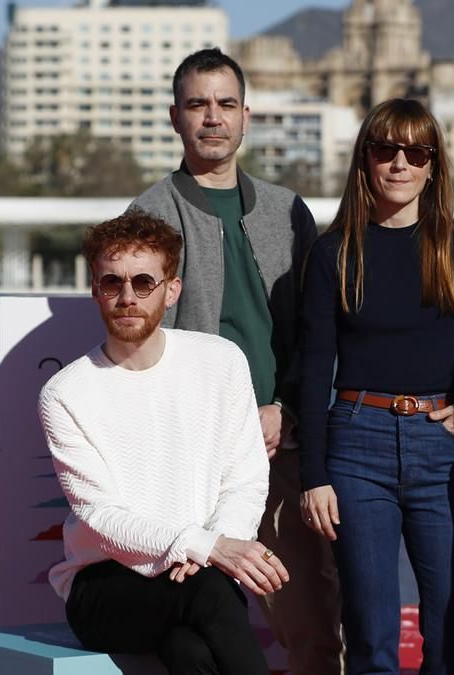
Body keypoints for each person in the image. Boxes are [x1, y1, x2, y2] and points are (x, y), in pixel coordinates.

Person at [127, 48, 339, 674]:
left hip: (283, 445)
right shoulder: (149, 214)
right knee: (198, 631)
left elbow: (314, 333)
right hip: (191, 463)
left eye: (225, 105)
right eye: (197, 105)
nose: (212, 118)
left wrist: (285, 410)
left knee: (314, 620)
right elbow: (139, 346)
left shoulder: (287, 211)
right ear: (175, 117)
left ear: (246, 116)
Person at [298, 98, 454, 674]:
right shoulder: (332, 252)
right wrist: (314, 476)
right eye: (385, 149)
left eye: (416, 151)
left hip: (439, 444)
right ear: (365, 160)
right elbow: (315, 371)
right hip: (354, 447)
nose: (400, 163)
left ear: (433, 165)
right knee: (370, 631)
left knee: (453, 619)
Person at [38, 211, 287, 674]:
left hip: (197, 569)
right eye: (112, 282)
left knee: (188, 650)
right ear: (95, 290)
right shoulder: (65, 393)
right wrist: (199, 546)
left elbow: (245, 478)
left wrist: (210, 547)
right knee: (210, 596)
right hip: (104, 582)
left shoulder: (220, 361)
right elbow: (100, 517)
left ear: (171, 290)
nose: (127, 297)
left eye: (144, 282)